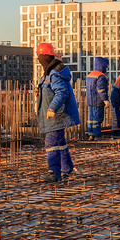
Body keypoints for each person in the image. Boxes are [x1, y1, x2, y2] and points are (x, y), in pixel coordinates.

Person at [35, 42, 80, 182]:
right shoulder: (48, 74)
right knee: (60, 143)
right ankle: (67, 169)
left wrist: (52, 108)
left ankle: (54, 173)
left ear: (45, 57)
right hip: (54, 116)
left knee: (52, 144)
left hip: (56, 115)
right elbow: (51, 91)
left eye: (39, 56)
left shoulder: (54, 74)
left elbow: (61, 92)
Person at [85, 57, 110, 140]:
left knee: (91, 119)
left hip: (90, 101)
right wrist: (105, 100)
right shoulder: (101, 76)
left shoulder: (89, 75)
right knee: (97, 119)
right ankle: (97, 135)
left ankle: (91, 135)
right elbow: (101, 89)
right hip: (98, 101)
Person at [110, 71, 120, 136]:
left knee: (117, 115)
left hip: (117, 94)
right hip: (117, 96)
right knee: (117, 115)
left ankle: (116, 133)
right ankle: (116, 134)